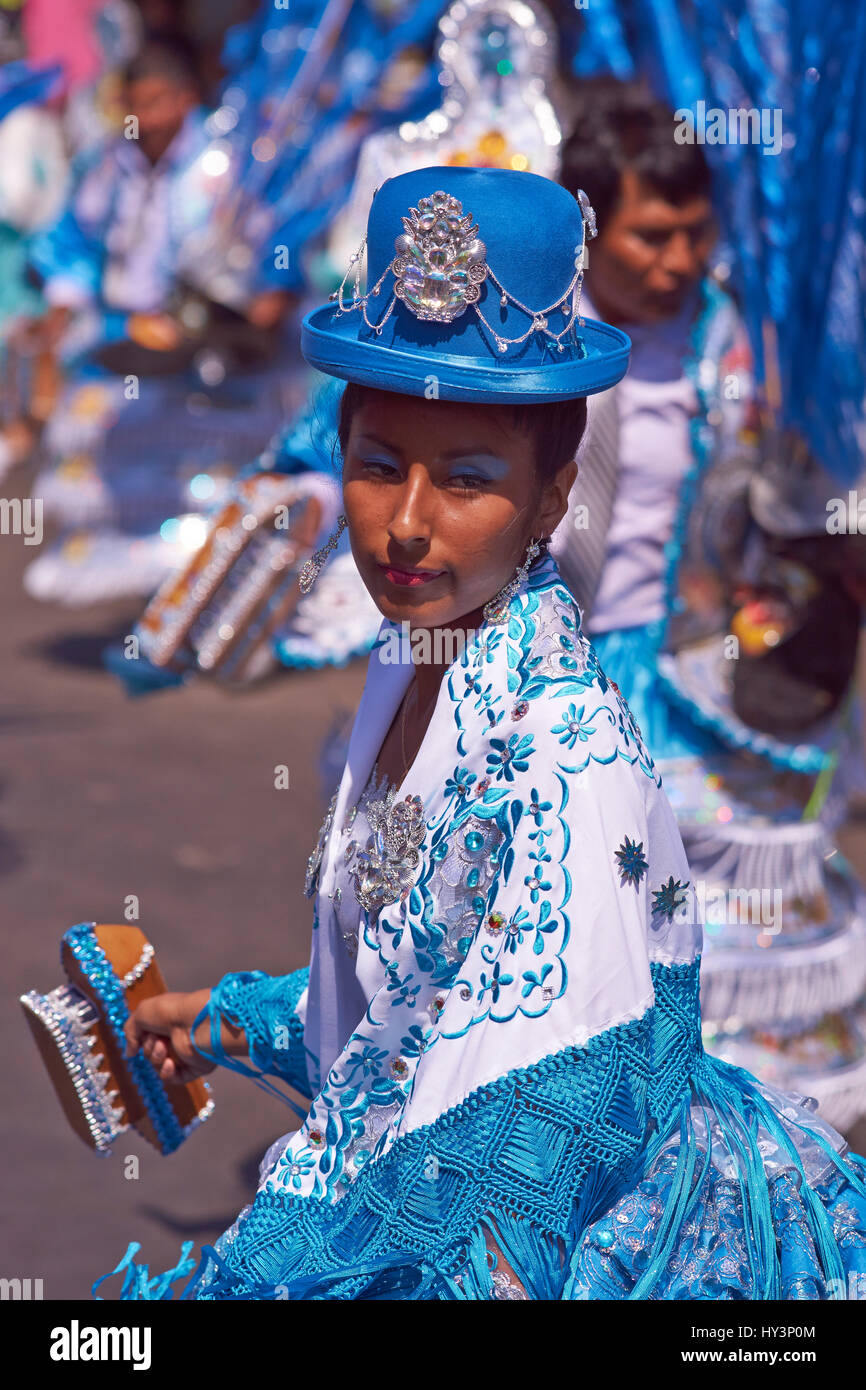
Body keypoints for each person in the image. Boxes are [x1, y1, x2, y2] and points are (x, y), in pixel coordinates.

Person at [98, 168, 866, 1301]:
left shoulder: (566, 764)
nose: (406, 524)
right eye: (375, 466)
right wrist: (219, 1018)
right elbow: (406, 1005)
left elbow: (526, 1149)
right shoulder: (414, 658)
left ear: (552, 497)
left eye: (465, 480)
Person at [552, 78, 866, 1133]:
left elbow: (810, 486)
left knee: (727, 929)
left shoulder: (752, 342)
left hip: (702, 678)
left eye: (693, 232)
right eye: (649, 236)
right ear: (588, 224)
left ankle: (748, 1183)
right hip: (564, 681)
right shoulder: (529, 339)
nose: (676, 260)